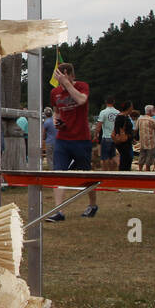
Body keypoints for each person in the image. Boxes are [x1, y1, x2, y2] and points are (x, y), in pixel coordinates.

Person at [45, 62, 97, 220]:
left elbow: (81, 100)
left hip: (81, 139)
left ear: (69, 74)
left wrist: (68, 84)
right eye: (57, 77)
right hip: (63, 139)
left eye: (61, 77)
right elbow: (56, 111)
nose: (59, 81)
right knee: (58, 174)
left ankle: (92, 205)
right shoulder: (55, 92)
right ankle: (58, 211)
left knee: (86, 175)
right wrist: (56, 120)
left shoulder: (81, 86)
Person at [96, 96, 120, 172]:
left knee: (105, 158)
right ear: (114, 102)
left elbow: (99, 125)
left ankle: (105, 172)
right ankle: (113, 171)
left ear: (106, 103)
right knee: (113, 156)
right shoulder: (118, 112)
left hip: (106, 137)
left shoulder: (103, 112)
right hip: (115, 137)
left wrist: (96, 135)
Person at [112, 101, 134, 171]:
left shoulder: (124, 116)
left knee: (127, 158)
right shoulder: (122, 117)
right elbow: (118, 128)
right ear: (129, 108)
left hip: (126, 140)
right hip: (124, 141)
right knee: (126, 159)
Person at [136, 105, 155, 171]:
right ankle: (147, 171)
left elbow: (136, 128)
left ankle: (140, 170)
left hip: (142, 142)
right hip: (151, 142)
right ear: (150, 111)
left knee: (141, 156)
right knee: (149, 158)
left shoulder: (139, 119)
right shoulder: (152, 120)